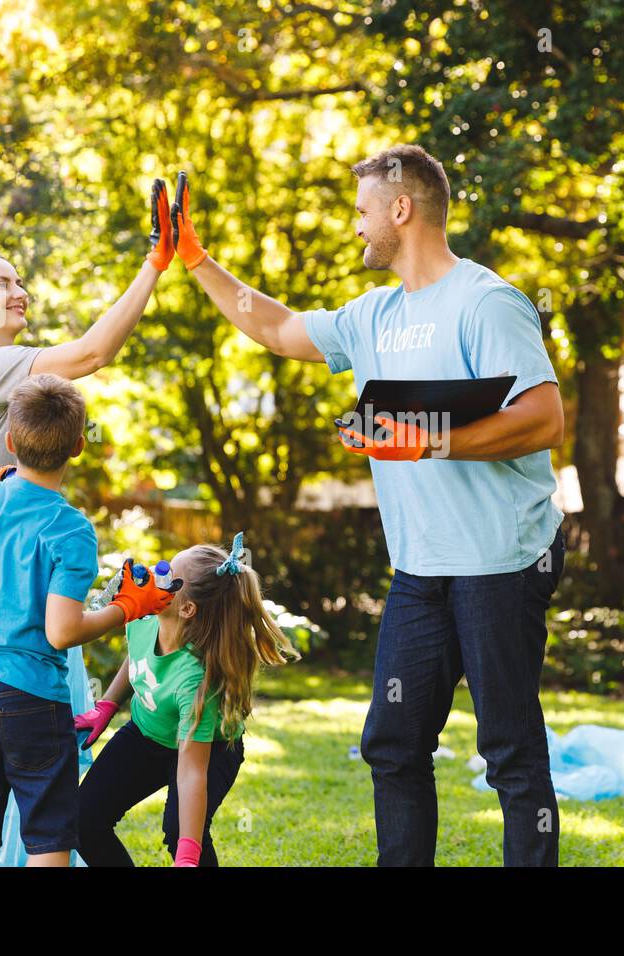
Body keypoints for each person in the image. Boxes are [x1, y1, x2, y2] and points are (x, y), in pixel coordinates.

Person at [168, 145, 567, 866]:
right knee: (393, 741)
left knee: (508, 748)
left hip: (501, 559)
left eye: (360, 212)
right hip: (422, 568)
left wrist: (429, 442)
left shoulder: (486, 302)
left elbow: (543, 420)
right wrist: (196, 260)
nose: (355, 227)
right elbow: (277, 328)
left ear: (401, 210)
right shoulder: (373, 315)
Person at [0, 178, 180, 866]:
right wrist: (154, 265)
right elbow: (90, 357)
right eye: (2, 284)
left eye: (22, 281)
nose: (20, 292)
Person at [0, 374, 175, 866]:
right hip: (29, 700)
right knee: (47, 837)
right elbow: (61, 631)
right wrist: (129, 607)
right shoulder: (70, 529)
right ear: (79, 447)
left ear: (9, 441)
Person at [75, 533, 298, 866]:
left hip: (210, 749)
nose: (154, 576)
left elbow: (192, 771)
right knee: (82, 821)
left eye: (167, 577)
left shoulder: (195, 681)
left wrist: (188, 854)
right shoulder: (145, 619)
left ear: (187, 608)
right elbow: (138, 657)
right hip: (147, 734)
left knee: (180, 834)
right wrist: (107, 705)